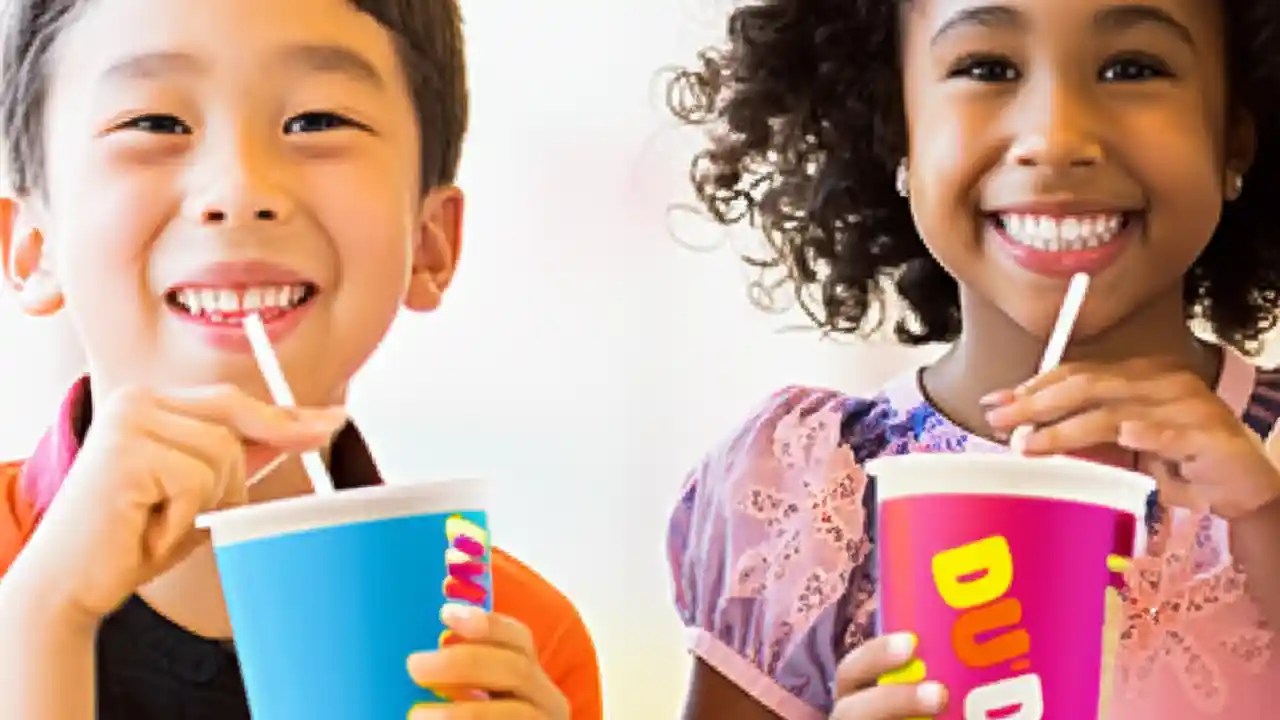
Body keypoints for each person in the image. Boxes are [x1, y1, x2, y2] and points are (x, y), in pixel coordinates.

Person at [665, 0, 1280, 718]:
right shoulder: (802, 486)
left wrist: (1265, 516)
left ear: (1235, 136)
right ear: (897, 130)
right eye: (986, 68)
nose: (1056, 138)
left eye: (1131, 68)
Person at [0, 0, 602, 718]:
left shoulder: (510, 649)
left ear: (431, 243)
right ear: (32, 247)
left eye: (317, 122)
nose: (240, 192)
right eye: (155, 124)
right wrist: (41, 618)